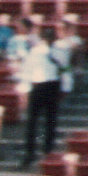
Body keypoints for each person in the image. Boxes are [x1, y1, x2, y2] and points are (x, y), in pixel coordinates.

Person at [19, 24, 70, 165]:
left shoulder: (61, 50)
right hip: (38, 85)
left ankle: (48, 150)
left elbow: (65, 69)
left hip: (53, 84)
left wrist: (66, 86)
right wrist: (25, 88)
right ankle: (30, 152)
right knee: (32, 121)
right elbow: (27, 70)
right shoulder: (36, 51)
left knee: (50, 120)